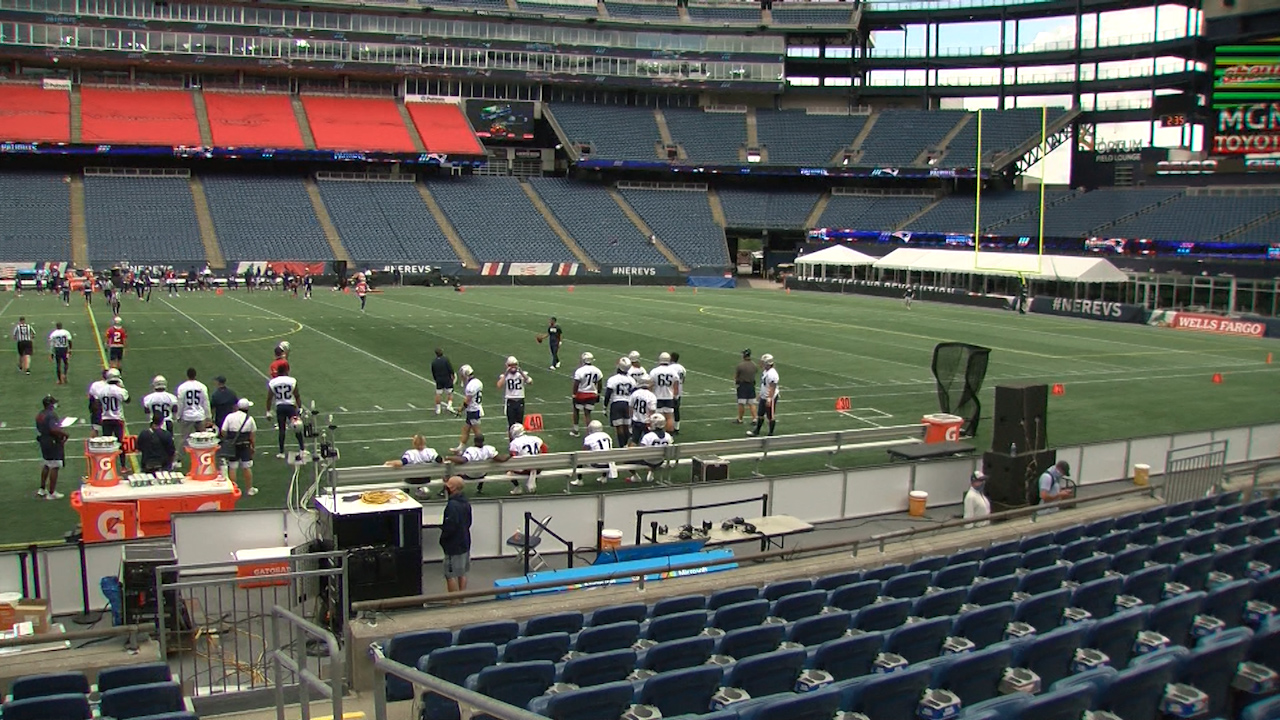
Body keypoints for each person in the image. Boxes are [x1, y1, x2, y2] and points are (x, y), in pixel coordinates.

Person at [440, 477, 472, 594]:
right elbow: (469, 522)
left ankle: (453, 602)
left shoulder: (452, 505)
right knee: (462, 572)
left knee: (450, 575)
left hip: (453, 545)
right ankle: (461, 598)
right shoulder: (466, 502)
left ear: (452, 488)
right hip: (465, 541)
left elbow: (450, 527)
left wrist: (443, 539)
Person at [220, 398, 257, 495]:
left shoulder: (230, 417)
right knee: (247, 467)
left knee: (232, 467)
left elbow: (223, 431)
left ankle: (233, 489)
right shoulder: (250, 419)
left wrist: (229, 439)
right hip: (245, 445)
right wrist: (253, 447)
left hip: (233, 445)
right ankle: (249, 489)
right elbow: (252, 436)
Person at [266, 368, 305, 459]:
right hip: (290, 406)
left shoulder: (273, 382)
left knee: (282, 429)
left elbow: (269, 398)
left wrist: (268, 411)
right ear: (286, 372)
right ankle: (302, 449)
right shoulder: (291, 381)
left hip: (280, 407)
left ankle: (281, 452)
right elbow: (297, 395)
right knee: (297, 427)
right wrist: (300, 407)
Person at [36, 395, 69, 500]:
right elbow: (53, 429)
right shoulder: (51, 415)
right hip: (52, 441)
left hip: (43, 441)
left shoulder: (40, 414)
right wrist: (64, 434)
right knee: (55, 466)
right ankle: (51, 492)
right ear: (50, 405)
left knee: (46, 464)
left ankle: (42, 489)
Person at [175, 367, 212, 450]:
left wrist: (178, 415)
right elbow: (205, 402)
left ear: (187, 375)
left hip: (187, 416)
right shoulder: (202, 386)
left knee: (184, 439)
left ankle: (178, 460)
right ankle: (203, 458)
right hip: (200, 415)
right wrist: (208, 416)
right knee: (203, 439)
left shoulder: (182, 387)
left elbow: (180, 403)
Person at [571, 419, 616, 487]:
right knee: (605, 454)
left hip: (597, 464)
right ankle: (604, 477)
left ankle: (579, 480)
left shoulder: (589, 438)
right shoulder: (607, 436)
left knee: (579, 458)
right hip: (609, 464)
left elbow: (584, 452)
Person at [506, 423, 546, 495]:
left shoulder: (514, 443)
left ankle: (517, 487)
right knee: (533, 465)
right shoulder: (535, 438)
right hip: (538, 468)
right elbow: (545, 449)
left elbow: (513, 457)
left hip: (525, 469)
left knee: (508, 468)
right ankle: (532, 479)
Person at [604, 357, 636, 447]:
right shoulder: (632, 380)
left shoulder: (613, 379)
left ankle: (622, 445)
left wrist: (605, 406)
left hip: (616, 403)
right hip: (628, 403)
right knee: (626, 425)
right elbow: (634, 393)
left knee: (619, 426)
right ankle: (626, 443)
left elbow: (608, 393)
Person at [633, 412, 673, 483]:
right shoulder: (668, 436)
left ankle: (635, 476)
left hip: (648, 461)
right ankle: (651, 473)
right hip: (660, 460)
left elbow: (641, 450)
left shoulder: (648, 436)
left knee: (627, 460)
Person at [570, 352, 602, 437]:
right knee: (587, 413)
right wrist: (598, 393)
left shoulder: (580, 371)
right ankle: (590, 431)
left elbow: (576, 383)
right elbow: (600, 383)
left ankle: (576, 430)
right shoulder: (597, 370)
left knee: (576, 410)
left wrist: (574, 394)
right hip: (592, 394)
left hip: (581, 393)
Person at [497, 356, 532, 434]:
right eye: (511, 365)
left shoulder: (521, 375)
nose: (513, 367)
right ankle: (512, 443)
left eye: (514, 365)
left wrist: (522, 373)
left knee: (519, 425)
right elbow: (499, 385)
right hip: (510, 401)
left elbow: (530, 382)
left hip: (520, 400)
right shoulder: (505, 376)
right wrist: (506, 373)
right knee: (511, 425)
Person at [749, 353, 779, 437]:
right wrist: (760, 394)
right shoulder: (766, 371)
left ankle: (771, 433)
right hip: (764, 395)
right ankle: (757, 431)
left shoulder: (772, 373)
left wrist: (769, 398)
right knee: (760, 414)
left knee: (770, 415)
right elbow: (764, 385)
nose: (761, 363)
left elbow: (772, 387)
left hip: (770, 396)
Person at [650, 352, 681, 432]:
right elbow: (676, 386)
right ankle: (669, 435)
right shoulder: (673, 371)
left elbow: (650, 384)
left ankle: (657, 434)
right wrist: (675, 397)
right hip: (669, 397)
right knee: (669, 417)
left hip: (657, 397)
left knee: (657, 417)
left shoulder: (654, 371)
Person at [97, 368, 129, 444]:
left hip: (106, 418)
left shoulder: (102, 390)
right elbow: (127, 400)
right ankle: (122, 456)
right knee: (120, 441)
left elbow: (98, 403)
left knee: (107, 443)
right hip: (117, 418)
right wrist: (122, 387)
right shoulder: (120, 390)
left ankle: (107, 456)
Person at [456, 365, 483, 451]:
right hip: (475, 408)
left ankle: (480, 448)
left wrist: (461, 409)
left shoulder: (471, 386)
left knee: (477, 431)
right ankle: (460, 448)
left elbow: (468, 400)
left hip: (473, 410)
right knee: (466, 429)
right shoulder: (477, 382)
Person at [628, 375, 657, 447]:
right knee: (648, 440)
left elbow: (630, 408)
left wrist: (631, 418)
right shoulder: (651, 395)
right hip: (647, 422)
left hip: (636, 420)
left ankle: (629, 455)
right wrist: (651, 422)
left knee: (634, 440)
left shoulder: (635, 393)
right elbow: (652, 411)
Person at [734, 349, 757, 425]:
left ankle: (740, 419)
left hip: (743, 385)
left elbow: (736, 376)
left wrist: (737, 383)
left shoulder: (740, 365)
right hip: (751, 385)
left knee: (741, 403)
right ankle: (754, 419)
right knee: (752, 403)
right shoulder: (754, 365)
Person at [432, 348, 456, 416]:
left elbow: (433, 372)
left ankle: (438, 409)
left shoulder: (434, 362)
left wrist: (436, 379)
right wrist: (453, 375)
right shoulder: (446, 360)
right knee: (450, 393)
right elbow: (450, 368)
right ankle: (449, 406)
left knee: (438, 393)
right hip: (447, 379)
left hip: (439, 379)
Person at [669, 351, 687, 435]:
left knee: (669, 411)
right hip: (679, 391)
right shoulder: (682, 368)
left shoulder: (670, 368)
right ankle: (677, 428)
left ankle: (670, 428)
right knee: (676, 410)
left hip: (671, 392)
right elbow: (683, 380)